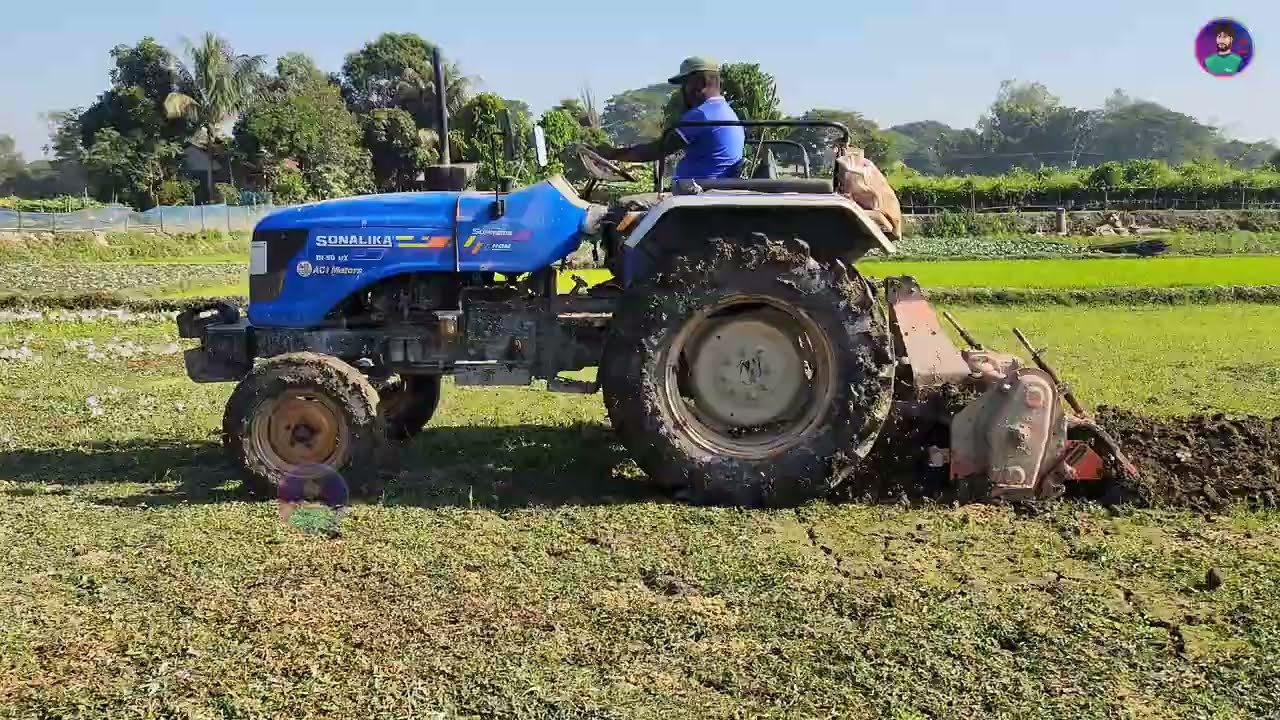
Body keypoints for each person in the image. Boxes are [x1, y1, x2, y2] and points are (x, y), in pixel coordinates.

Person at [596, 57, 745, 182]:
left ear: (700, 84)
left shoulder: (702, 115)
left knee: (620, 208)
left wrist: (611, 154)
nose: (682, 91)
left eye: (685, 84)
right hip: (707, 189)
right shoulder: (726, 112)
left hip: (696, 194)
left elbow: (658, 149)